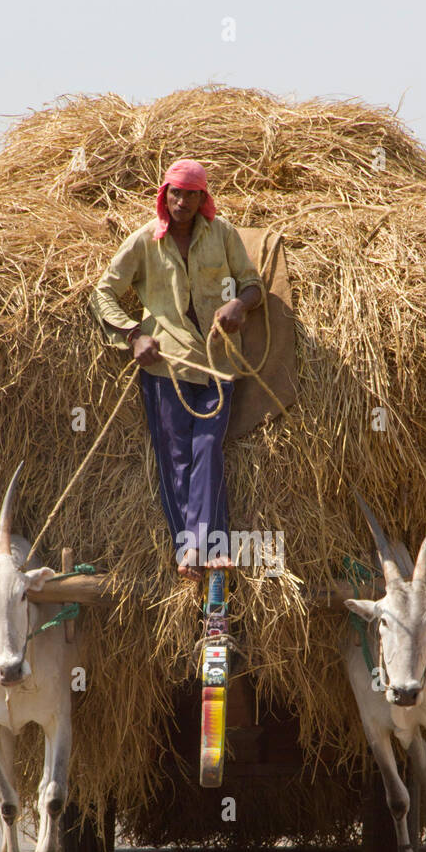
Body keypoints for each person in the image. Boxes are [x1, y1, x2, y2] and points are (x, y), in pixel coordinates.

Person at [90, 159, 263, 579]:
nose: (182, 201)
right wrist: (134, 335)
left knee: (207, 446)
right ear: (164, 195)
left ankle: (204, 545)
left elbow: (251, 282)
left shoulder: (222, 234)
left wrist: (240, 304)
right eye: (176, 193)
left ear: (204, 198)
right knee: (175, 455)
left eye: (191, 194)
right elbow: (103, 294)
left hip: (220, 361)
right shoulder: (145, 241)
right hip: (167, 365)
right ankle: (192, 549)